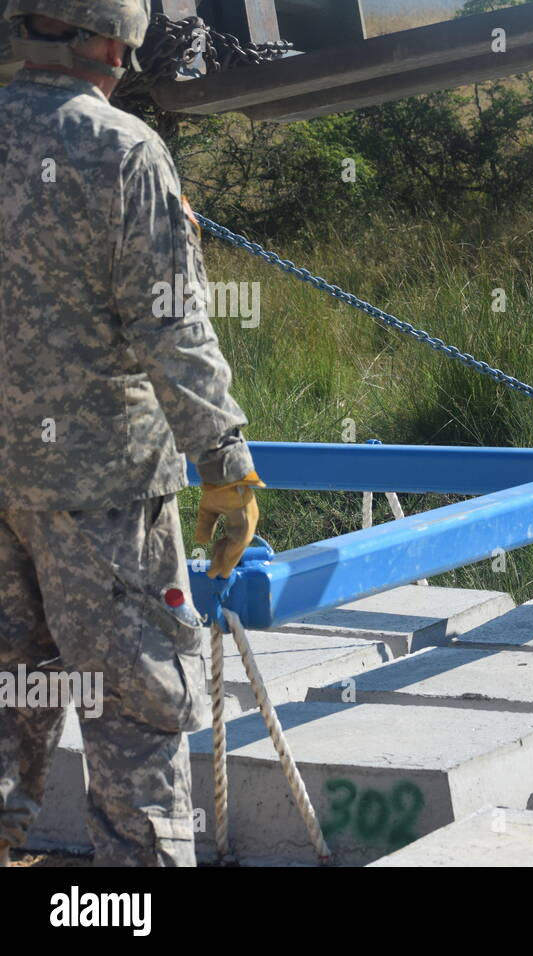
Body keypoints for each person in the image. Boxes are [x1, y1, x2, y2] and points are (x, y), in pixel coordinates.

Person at [0, 0, 263, 867]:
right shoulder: (121, 151)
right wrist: (225, 461)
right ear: (108, 40)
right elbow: (173, 328)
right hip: (102, 497)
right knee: (136, 723)